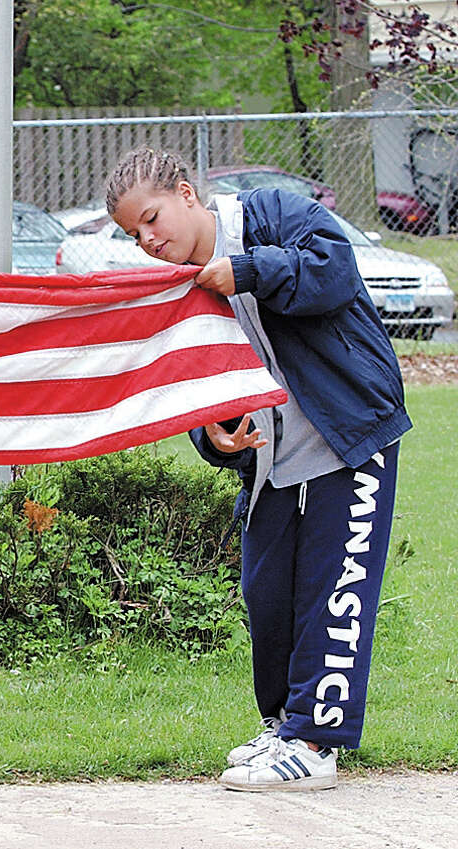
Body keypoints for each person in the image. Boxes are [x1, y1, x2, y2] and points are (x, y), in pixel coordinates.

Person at [106, 148, 410, 792]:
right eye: (134, 234)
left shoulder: (269, 215)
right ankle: (283, 727)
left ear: (186, 194)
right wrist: (215, 436)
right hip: (273, 460)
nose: (148, 241)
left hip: (350, 435)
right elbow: (197, 383)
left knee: (333, 592)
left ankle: (316, 744)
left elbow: (334, 271)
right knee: (267, 596)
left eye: (152, 219)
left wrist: (244, 272)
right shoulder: (183, 290)